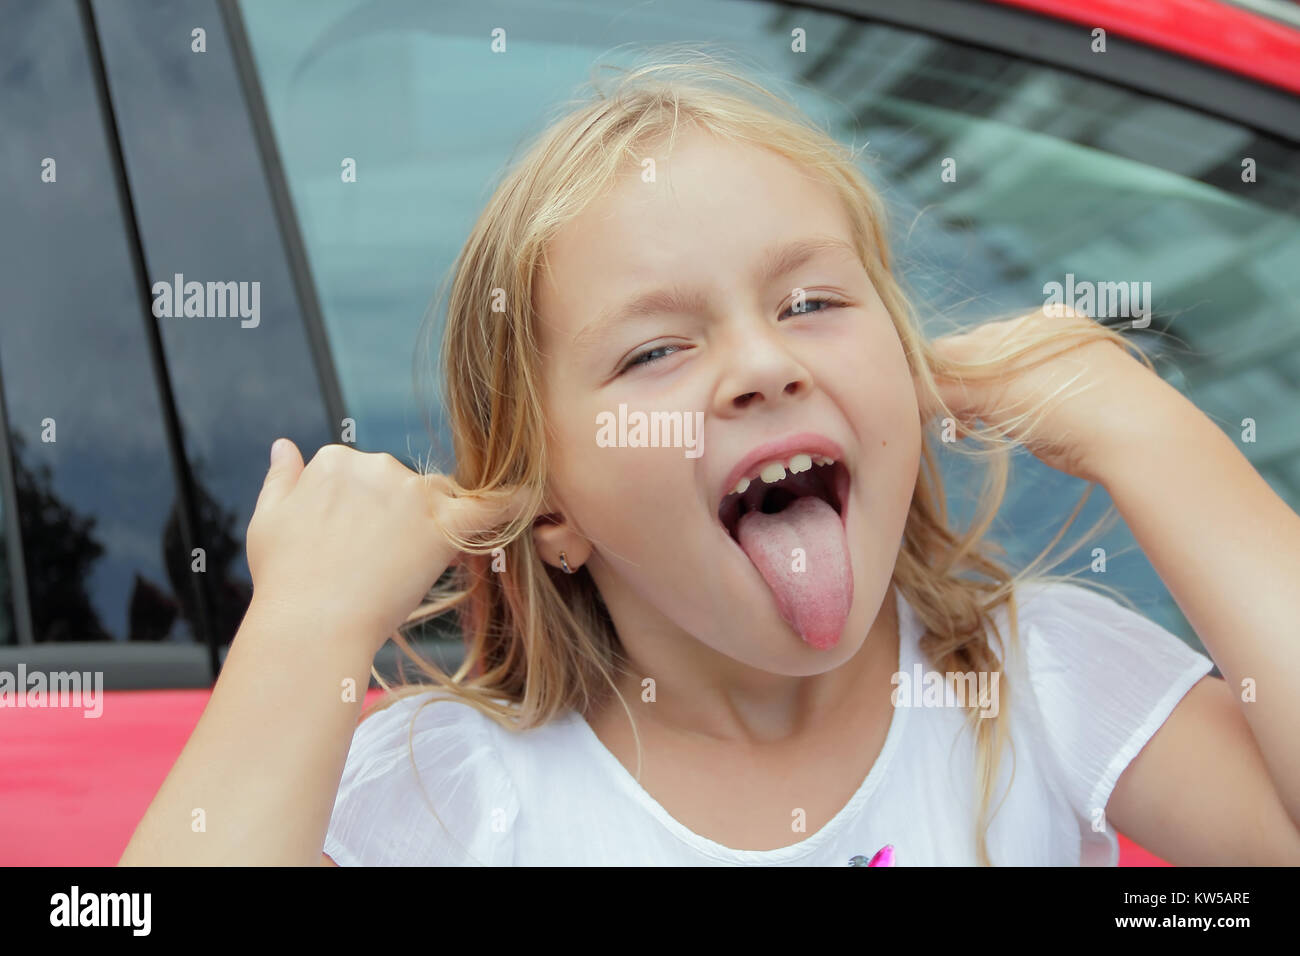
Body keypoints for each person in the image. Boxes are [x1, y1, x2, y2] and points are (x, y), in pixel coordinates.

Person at [119, 53, 1300, 867]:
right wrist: (306, 625)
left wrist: (1149, 434)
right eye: (655, 350)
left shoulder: (1032, 681)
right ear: (552, 513)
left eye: (813, 301)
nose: (759, 364)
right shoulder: (456, 789)